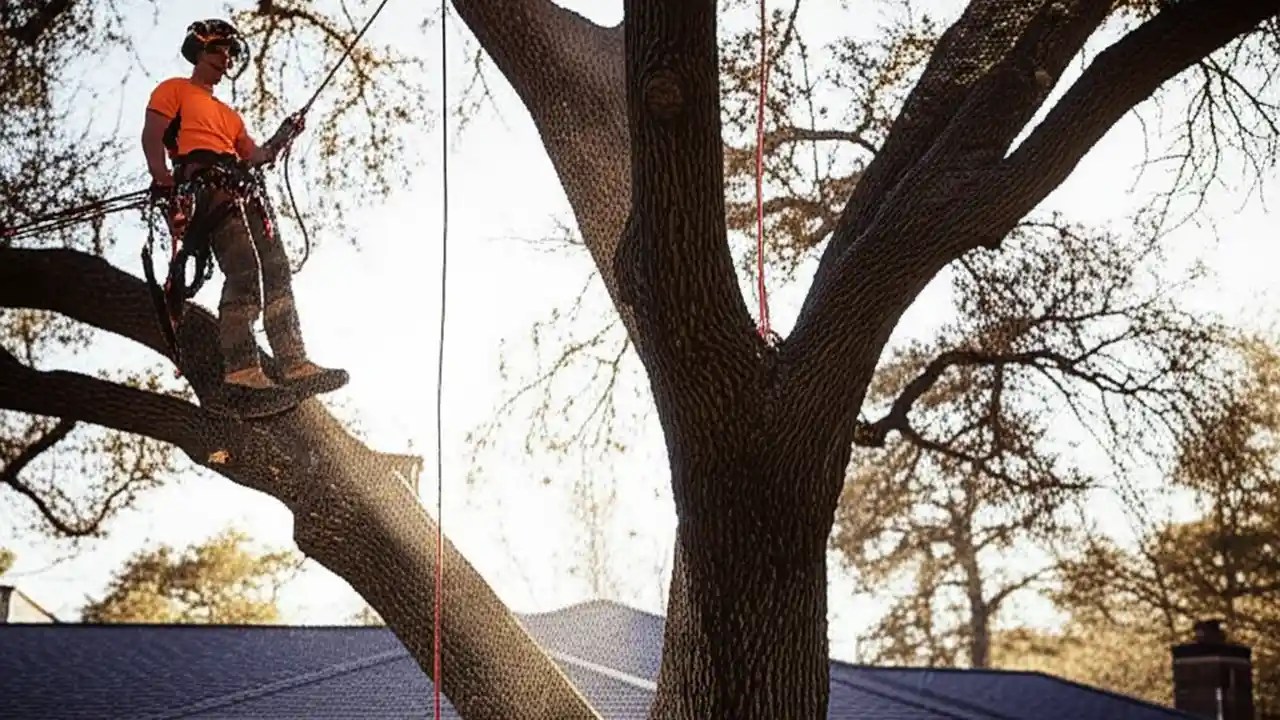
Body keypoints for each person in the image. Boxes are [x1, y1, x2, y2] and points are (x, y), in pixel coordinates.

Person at [140, 19, 347, 418]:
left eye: (231, 54)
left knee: (276, 267)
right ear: (200, 50)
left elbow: (256, 156)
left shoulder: (229, 116)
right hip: (205, 184)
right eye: (220, 51)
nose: (226, 59)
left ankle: (294, 362)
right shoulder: (174, 90)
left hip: (242, 186)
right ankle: (242, 371)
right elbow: (153, 135)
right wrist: (164, 182)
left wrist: (285, 134)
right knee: (244, 269)